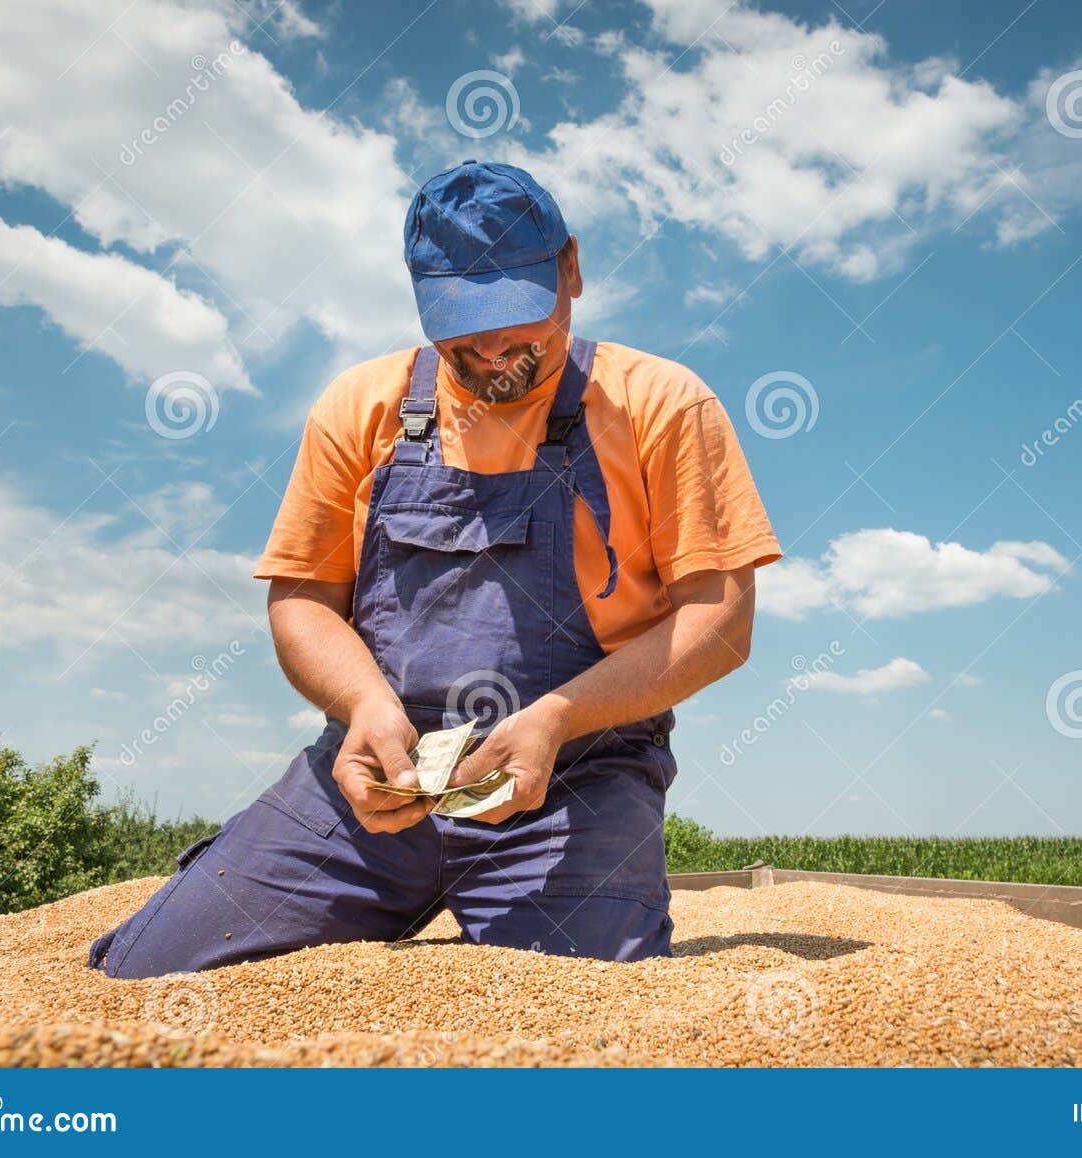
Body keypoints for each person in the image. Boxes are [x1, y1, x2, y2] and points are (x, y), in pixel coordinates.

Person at [90, 160, 780, 975]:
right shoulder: (362, 405)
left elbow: (721, 622)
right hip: (376, 774)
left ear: (572, 270)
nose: (491, 348)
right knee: (143, 972)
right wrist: (364, 707)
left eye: (517, 317)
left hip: (574, 780)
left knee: (587, 1020)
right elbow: (303, 601)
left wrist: (554, 720)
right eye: (462, 322)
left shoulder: (661, 405)